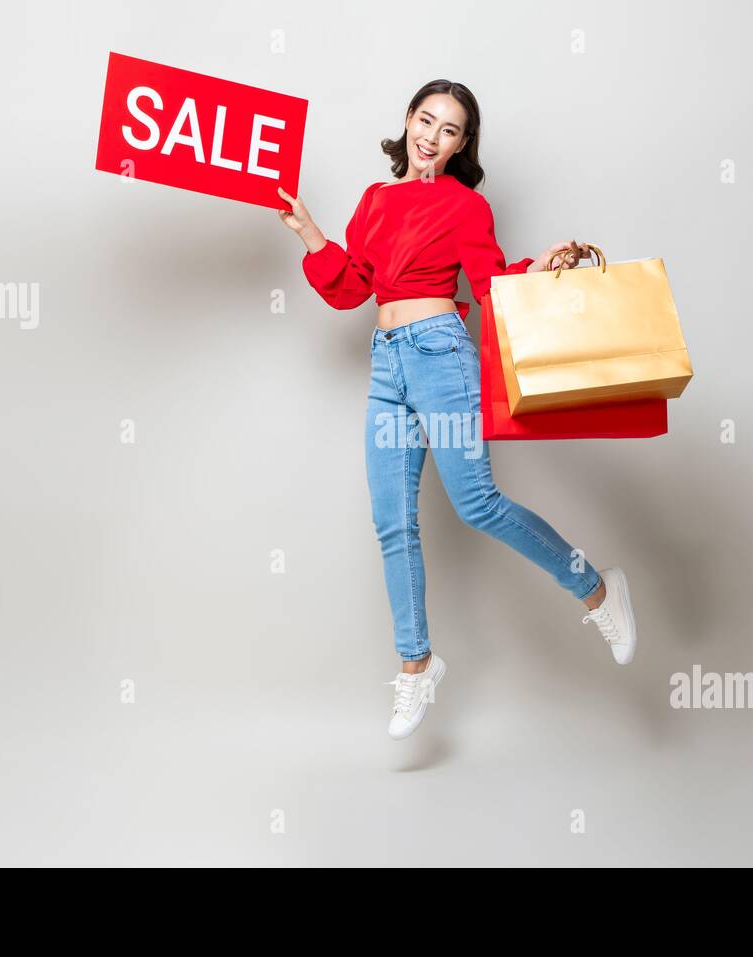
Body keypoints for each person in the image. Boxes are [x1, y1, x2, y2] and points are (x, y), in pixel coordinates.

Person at [276, 79, 637, 740]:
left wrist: (540, 269)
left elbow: (491, 279)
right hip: (387, 362)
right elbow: (355, 287)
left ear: (463, 144)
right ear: (408, 122)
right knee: (393, 521)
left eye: (449, 129)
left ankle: (595, 587)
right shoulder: (376, 200)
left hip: (442, 356)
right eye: (425, 119)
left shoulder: (468, 207)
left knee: (477, 503)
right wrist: (308, 232)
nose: (432, 136)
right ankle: (416, 663)